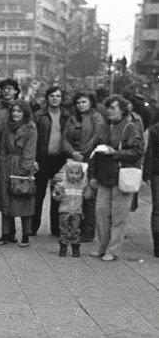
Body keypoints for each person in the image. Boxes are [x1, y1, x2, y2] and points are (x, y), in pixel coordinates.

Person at [88, 95, 144, 261]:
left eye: (113, 107)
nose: (109, 111)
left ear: (122, 109)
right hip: (103, 177)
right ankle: (101, 246)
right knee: (101, 213)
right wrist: (92, 175)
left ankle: (112, 250)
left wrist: (116, 153)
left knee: (119, 216)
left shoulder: (130, 128)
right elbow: (93, 153)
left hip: (122, 177)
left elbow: (138, 152)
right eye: (108, 108)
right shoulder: (103, 127)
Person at [63, 91, 104, 243]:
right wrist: (73, 152)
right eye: (79, 102)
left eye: (84, 102)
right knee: (74, 194)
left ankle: (88, 231)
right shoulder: (72, 118)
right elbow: (64, 137)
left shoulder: (97, 118)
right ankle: (74, 229)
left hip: (91, 160)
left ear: (91, 103)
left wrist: (82, 152)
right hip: (74, 161)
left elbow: (96, 138)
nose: (81, 105)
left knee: (89, 197)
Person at [0, 102, 37, 247]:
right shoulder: (7, 127)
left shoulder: (30, 128)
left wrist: (24, 169)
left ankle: (25, 235)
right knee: (5, 200)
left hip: (22, 165)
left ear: (25, 113)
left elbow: (30, 151)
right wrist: (1, 162)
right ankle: (5, 233)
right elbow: (1, 146)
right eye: (14, 111)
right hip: (7, 165)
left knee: (23, 199)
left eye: (19, 111)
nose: (16, 114)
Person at [32, 86, 70, 236]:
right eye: (52, 96)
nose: (55, 98)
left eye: (58, 96)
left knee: (57, 194)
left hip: (59, 160)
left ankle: (56, 228)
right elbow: (34, 139)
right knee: (38, 194)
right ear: (47, 98)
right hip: (42, 159)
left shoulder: (67, 116)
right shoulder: (39, 115)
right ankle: (33, 226)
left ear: (61, 99)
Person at [52, 161, 88, 257]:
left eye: (77, 173)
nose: (73, 176)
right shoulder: (62, 185)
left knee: (75, 230)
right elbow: (56, 198)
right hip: (64, 211)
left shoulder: (82, 186)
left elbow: (87, 196)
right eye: (71, 173)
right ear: (67, 173)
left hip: (76, 212)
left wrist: (91, 188)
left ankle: (75, 248)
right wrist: (57, 193)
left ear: (81, 174)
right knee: (63, 230)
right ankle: (63, 247)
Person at [145, 115, 159, 257]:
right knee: (158, 208)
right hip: (157, 173)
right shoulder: (156, 130)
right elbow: (150, 153)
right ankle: (157, 244)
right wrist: (147, 174)